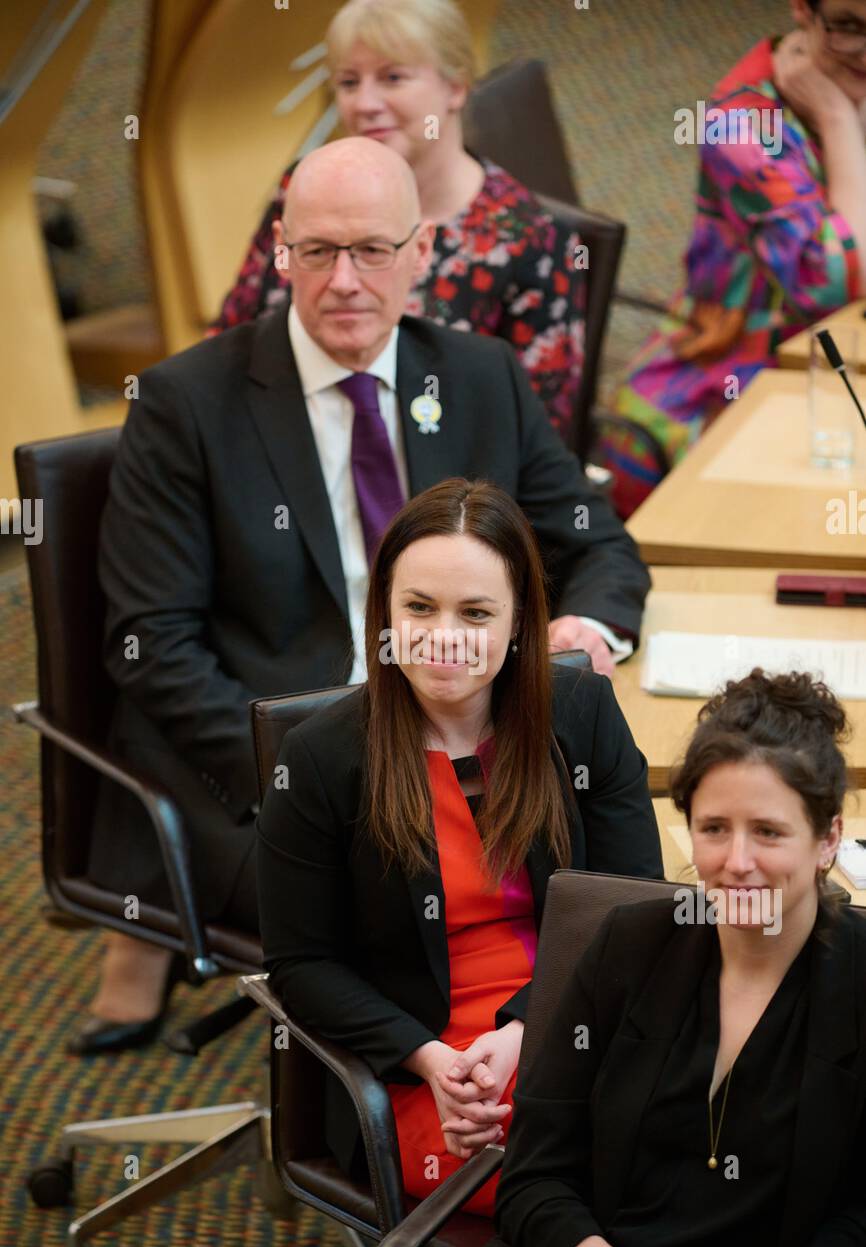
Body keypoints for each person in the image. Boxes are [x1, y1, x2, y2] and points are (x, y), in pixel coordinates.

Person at [78, 135, 650, 1053]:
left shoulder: (476, 377)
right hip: (287, 768)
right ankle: (428, 1110)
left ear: (419, 254)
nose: (345, 280)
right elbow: (154, 646)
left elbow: (598, 545)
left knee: (619, 868)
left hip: (470, 738)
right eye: (318, 251)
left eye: (373, 251)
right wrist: (321, 773)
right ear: (282, 253)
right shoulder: (189, 404)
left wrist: (584, 627)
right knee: (441, 920)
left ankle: (530, 1083)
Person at [257, 477, 663, 1212]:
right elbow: (301, 964)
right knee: (588, 1178)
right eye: (418, 607)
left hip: (584, 1007)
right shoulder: (321, 759)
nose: (443, 636)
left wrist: (525, 1030)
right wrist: (435, 1063)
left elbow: (633, 908)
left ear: (518, 623)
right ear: (383, 610)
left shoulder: (581, 712)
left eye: (475, 613)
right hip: (425, 1065)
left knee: (722, 1135)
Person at [455, 669, 866, 1247]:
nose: (737, 862)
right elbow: (535, 1177)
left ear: (828, 838)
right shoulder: (630, 945)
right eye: (714, 828)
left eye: (769, 832)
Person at [210, 0, 586, 443]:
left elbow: (537, 436)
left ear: (456, 88)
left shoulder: (529, 240)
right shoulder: (306, 189)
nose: (365, 103)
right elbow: (228, 341)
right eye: (348, 82)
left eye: (392, 78)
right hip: (281, 449)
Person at [599, 0, 866, 517]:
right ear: (801, 11)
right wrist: (840, 123)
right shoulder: (737, 125)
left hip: (831, 365)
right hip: (734, 378)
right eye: (849, 27)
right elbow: (838, 286)